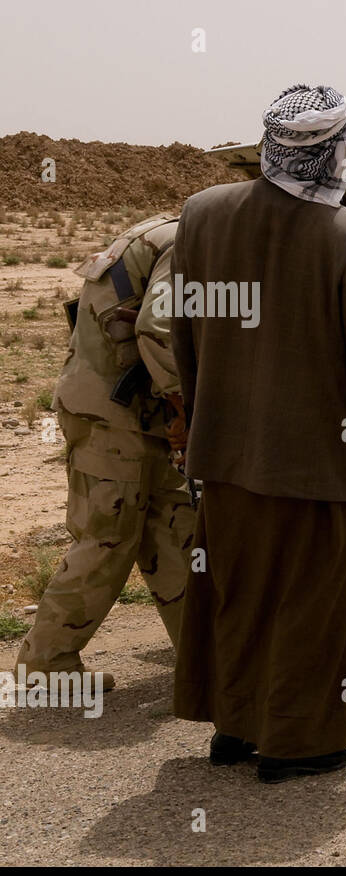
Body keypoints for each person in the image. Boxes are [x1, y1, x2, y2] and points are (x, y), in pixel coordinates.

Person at [170, 84, 346, 783]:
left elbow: (185, 333)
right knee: (312, 606)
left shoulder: (202, 213)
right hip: (313, 462)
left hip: (225, 454)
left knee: (239, 595)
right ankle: (300, 744)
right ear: (335, 150)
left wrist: (196, 419)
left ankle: (236, 729)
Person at [12, 215, 194, 691]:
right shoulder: (190, 239)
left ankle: (203, 658)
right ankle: (46, 667)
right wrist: (186, 408)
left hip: (128, 410)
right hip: (113, 416)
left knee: (175, 527)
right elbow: (158, 332)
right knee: (108, 537)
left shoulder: (166, 229)